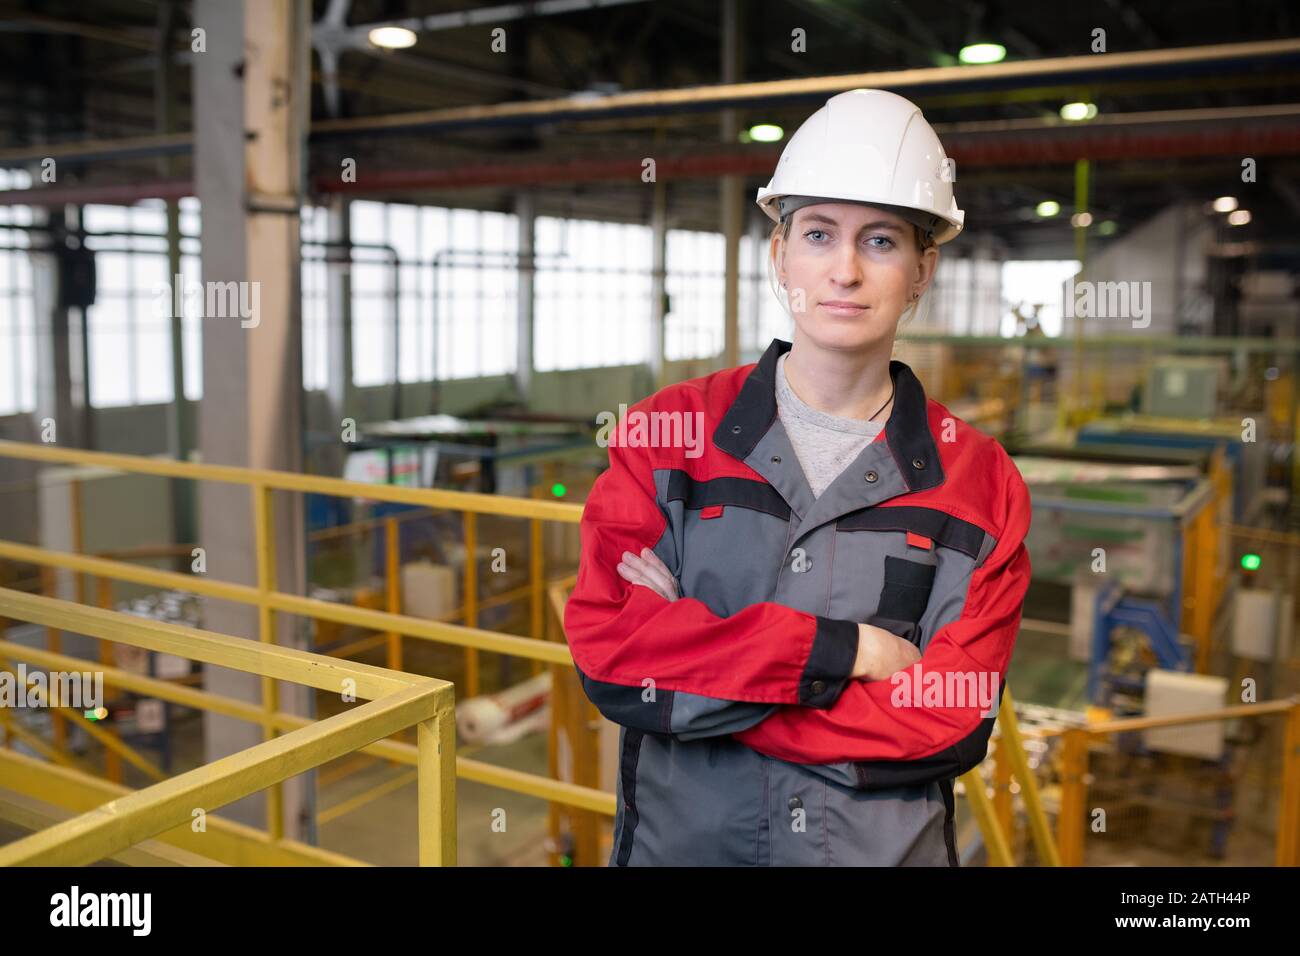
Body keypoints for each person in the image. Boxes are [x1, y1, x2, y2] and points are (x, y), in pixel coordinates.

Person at [564, 88, 1032, 866]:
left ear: (922, 270)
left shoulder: (980, 482)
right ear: (780, 254)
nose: (844, 270)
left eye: (880, 241)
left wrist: (709, 669)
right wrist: (846, 654)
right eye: (819, 234)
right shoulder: (666, 438)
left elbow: (949, 720)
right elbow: (615, 659)